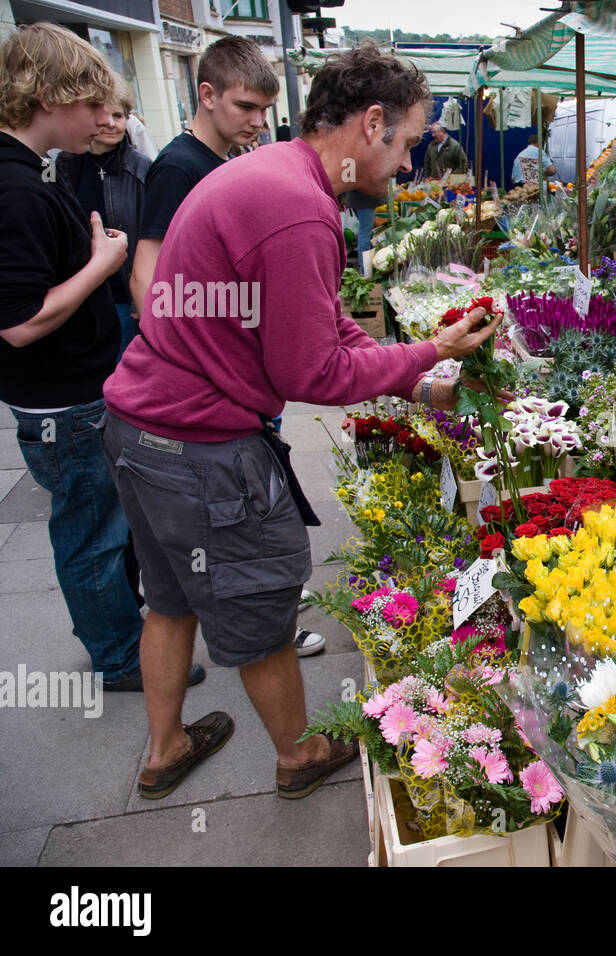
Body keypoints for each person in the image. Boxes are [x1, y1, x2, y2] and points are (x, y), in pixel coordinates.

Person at [101, 42, 502, 802]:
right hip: (200, 449)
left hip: (142, 429)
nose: (410, 165)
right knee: (259, 615)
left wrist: (421, 380)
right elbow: (308, 373)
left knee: (172, 597)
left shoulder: (277, 173)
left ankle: (164, 749)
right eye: (410, 142)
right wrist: (431, 348)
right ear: (371, 123)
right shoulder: (298, 210)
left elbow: (326, 332)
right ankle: (299, 755)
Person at [0, 22, 204, 693]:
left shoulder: (30, 172)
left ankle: (121, 631)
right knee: (92, 533)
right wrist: (106, 263)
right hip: (61, 401)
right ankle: (119, 657)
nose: (103, 119)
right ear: (48, 95)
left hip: (70, 393)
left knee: (101, 524)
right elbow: (20, 323)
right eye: (91, 104)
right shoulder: (18, 187)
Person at [129, 35, 279, 319]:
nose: (258, 122)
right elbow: (145, 272)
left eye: (264, 109)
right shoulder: (177, 166)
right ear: (208, 95)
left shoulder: (230, 159)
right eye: (246, 107)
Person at [56, 77, 150, 360]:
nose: (111, 123)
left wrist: (142, 291)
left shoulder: (142, 168)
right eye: (104, 114)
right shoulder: (62, 164)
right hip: (79, 296)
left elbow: (153, 235)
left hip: (124, 295)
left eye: (119, 115)